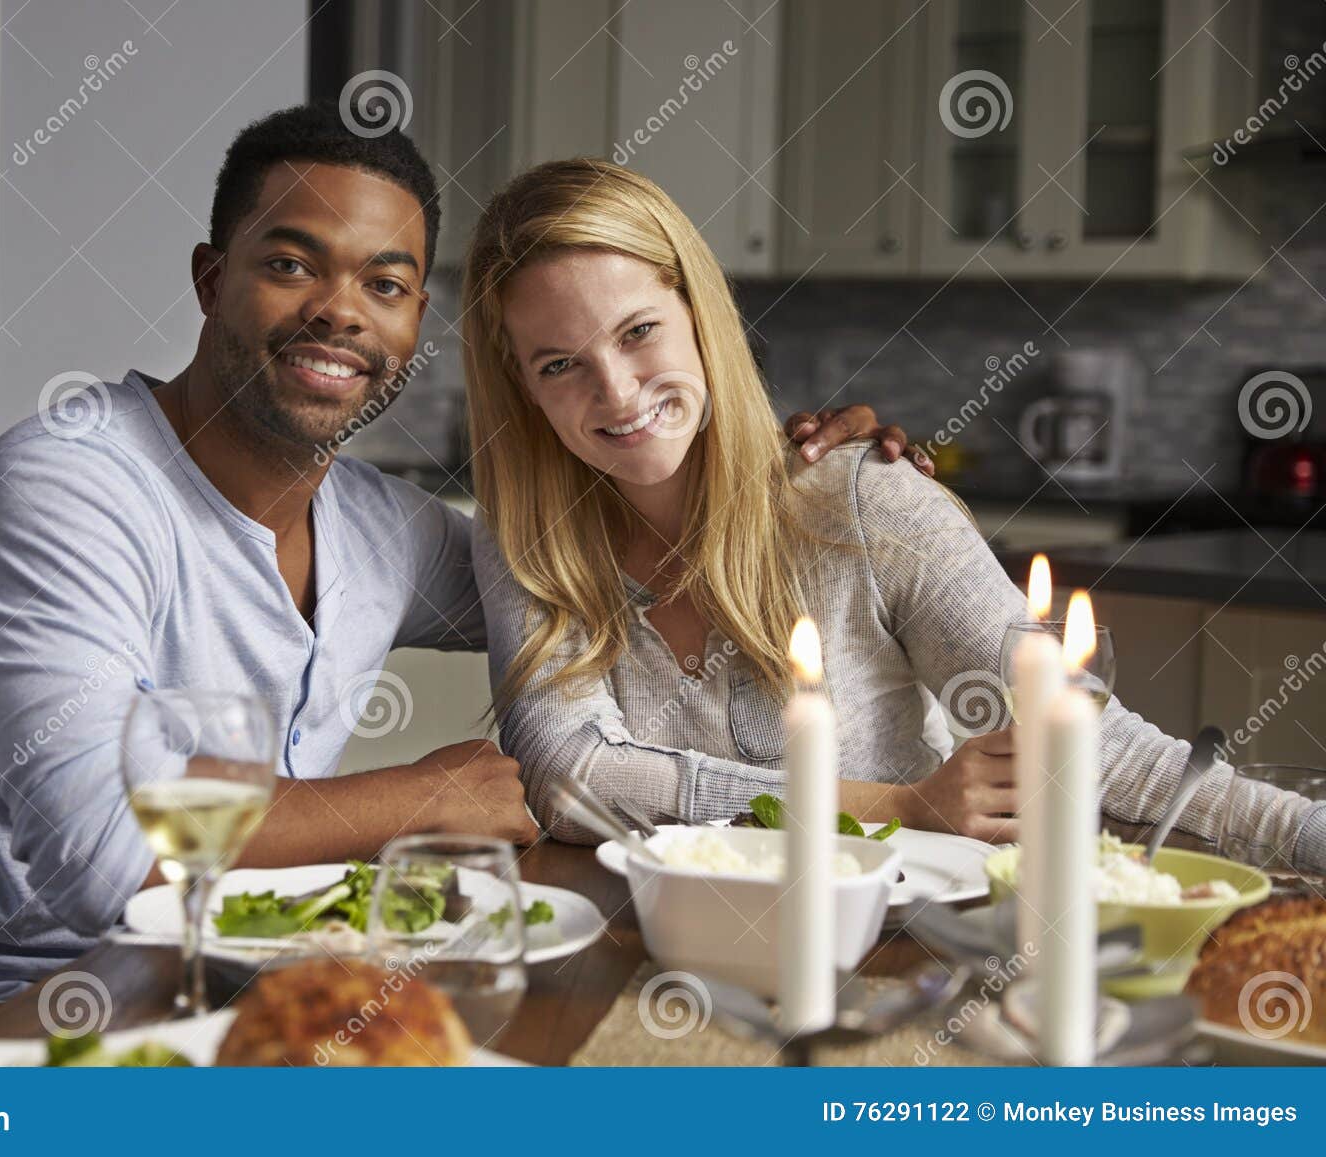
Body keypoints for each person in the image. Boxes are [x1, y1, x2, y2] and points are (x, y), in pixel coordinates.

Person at [0, 105, 907, 1066]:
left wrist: (798, 481)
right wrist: (424, 795)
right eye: (292, 264)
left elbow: (611, 565)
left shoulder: (383, 528)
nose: (341, 309)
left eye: (386, 283)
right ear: (210, 279)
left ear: (415, 324)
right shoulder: (64, 488)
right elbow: (105, 861)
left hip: (217, 995)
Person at [462, 157, 1326, 874]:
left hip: (894, 953)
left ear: (700, 315)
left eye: (638, 331)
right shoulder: (527, 541)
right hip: (644, 953)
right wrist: (900, 808)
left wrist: (1306, 839)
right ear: (522, 388)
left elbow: (1097, 749)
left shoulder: (864, 498)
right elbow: (569, 779)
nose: (616, 392)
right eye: (559, 364)